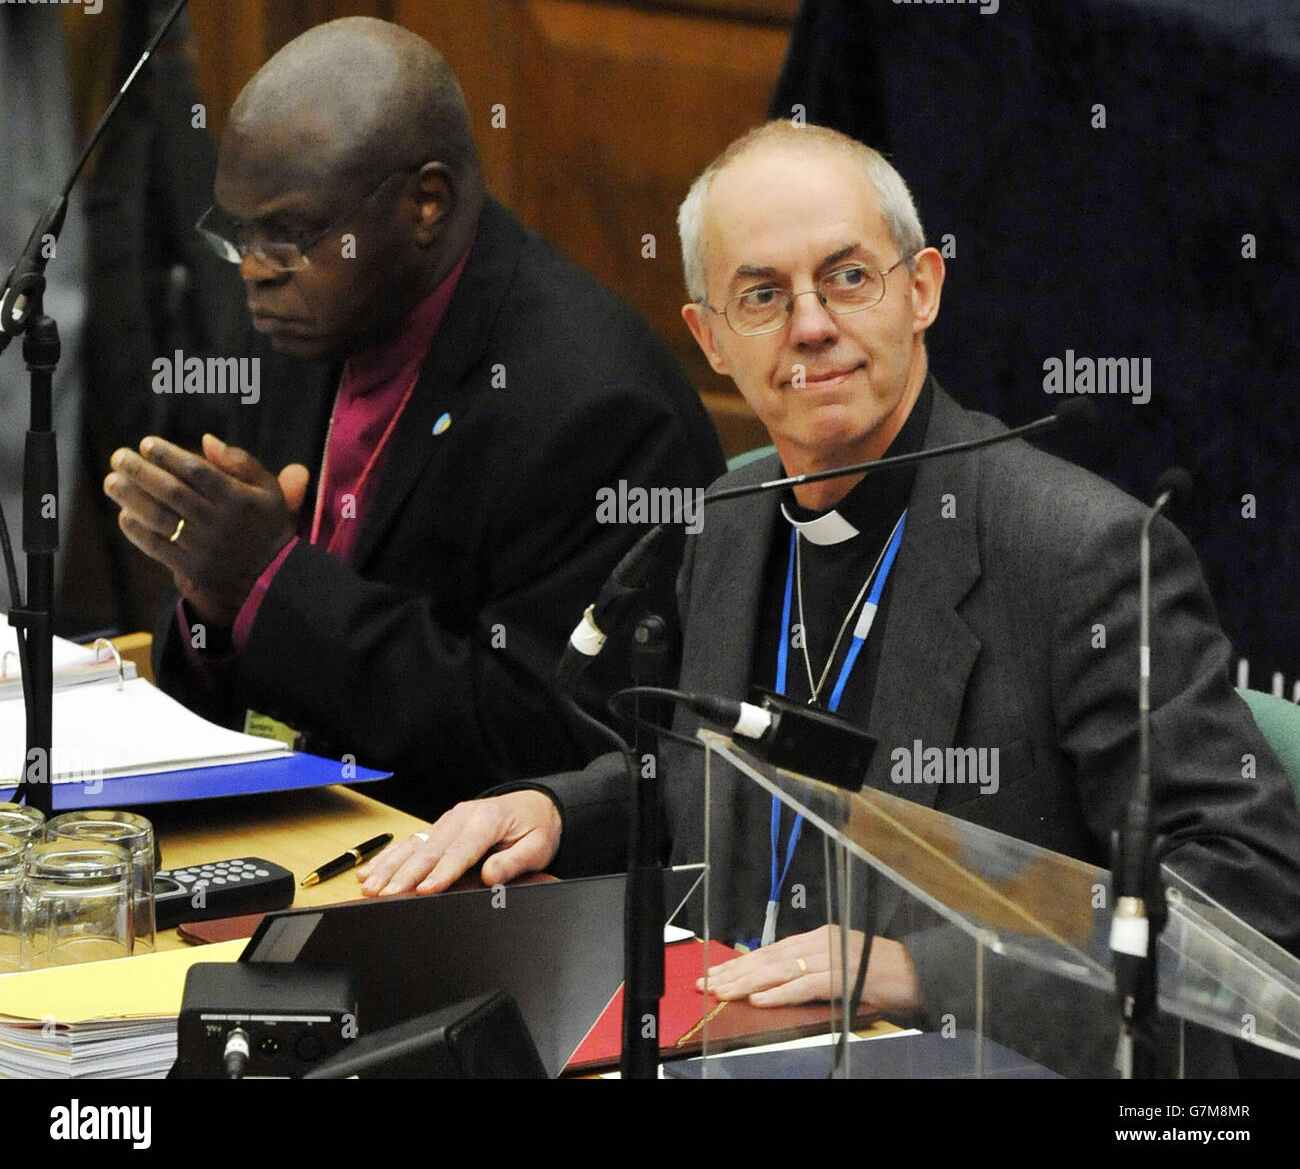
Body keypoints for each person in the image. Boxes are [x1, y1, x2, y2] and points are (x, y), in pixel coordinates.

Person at [358, 122, 1300, 1068]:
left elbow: (1240, 896)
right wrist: (560, 813)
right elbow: (730, 789)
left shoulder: (1083, 555)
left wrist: (921, 971)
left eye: (849, 278)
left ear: (922, 289)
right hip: (735, 1043)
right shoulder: (732, 513)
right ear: (711, 339)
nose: (811, 324)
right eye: (762, 296)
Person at [102, 18, 724, 818]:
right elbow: (251, 632)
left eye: (290, 235)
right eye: (240, 235)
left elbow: (556, 743)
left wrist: (268, 583)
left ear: (427, 202)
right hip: (300, 824)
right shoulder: (299, 327)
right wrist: (214, 608)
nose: (256, 271)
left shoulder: (594, 410)